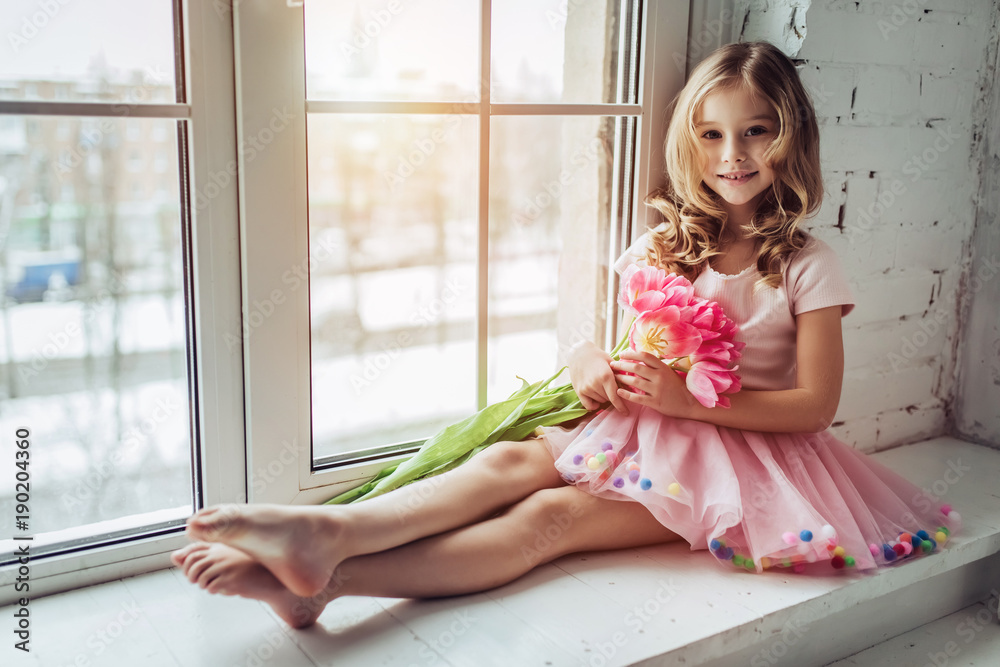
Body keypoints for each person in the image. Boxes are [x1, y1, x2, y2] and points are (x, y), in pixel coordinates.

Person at [171, 41, 957, 629]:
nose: (734, 155)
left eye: (756, 132)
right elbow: (624, 346)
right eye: (713, 136)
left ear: (792, 139)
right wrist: (590, 362)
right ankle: (330, 529)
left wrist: (689, 403)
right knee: (506, 459)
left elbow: (814, 407)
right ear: (689, 143)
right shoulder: (662, 245)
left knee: (553, 522)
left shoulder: (807, 265)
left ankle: (330, 584)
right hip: (638, 427)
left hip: (734, 461)